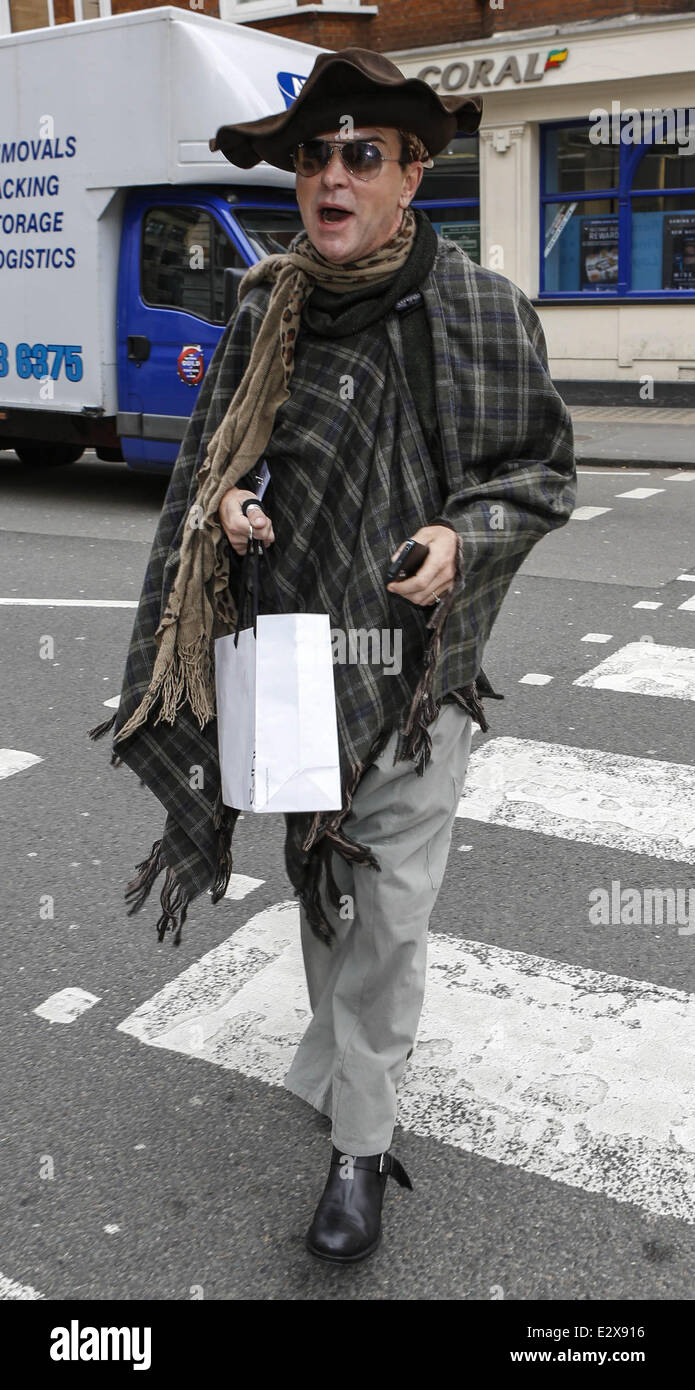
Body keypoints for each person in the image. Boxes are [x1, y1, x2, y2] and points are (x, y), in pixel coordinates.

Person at [90, 48, 576, 1266]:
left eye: (362, 155)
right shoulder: (265, 302)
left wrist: (460, 534)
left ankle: (357, 1146)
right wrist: (236, 502)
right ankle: (354, 1072)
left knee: (389, 916)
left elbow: (537, 473)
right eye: (315, 155)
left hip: (411, 674)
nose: (331, 176)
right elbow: (221, 460)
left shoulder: (475, 309)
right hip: (295, 659)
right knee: (330, 893)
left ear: (414, 172)